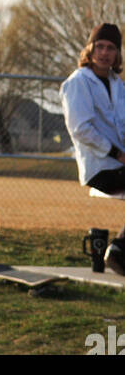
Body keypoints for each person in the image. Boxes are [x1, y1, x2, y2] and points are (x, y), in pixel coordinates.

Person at [60, 22, 125, 274]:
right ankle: (118, 251)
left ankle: (119, 251)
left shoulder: (118, 85)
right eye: (99, 46)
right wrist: (116, 153)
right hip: (100, 166)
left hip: (118, 162)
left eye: (111, 48)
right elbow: (80, 128)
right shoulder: (78, 82)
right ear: (90, 49)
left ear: (117, 54)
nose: (105, 52)